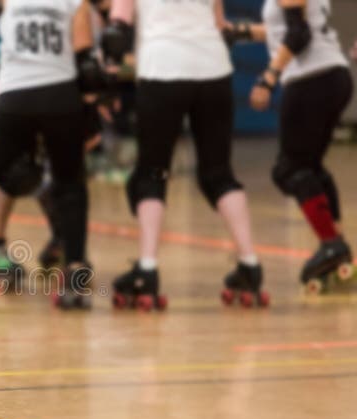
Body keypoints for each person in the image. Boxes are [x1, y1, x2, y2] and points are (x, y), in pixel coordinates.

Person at [104, 0, 268, 310]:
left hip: (162, 67)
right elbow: (221, 25)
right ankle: (250, 264)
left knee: (152, 172)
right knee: (219, 173)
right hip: (213, 68)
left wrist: (108, 80)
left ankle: (147, 269)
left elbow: (117, 28)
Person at [0, 0, 100, 309]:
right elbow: (86, 61)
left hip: (15, 100)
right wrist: (91, 116)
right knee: (70, 184)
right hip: (60, 98)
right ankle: (74, 274)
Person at [249, 0, 354, 293]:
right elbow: (282, 29)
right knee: (310, 167)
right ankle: (338, 247)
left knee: (289, 169)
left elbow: (298, 35)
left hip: (311, 78)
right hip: (330, 76)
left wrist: (269, 77)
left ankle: (332, 244)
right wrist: (241, 32)